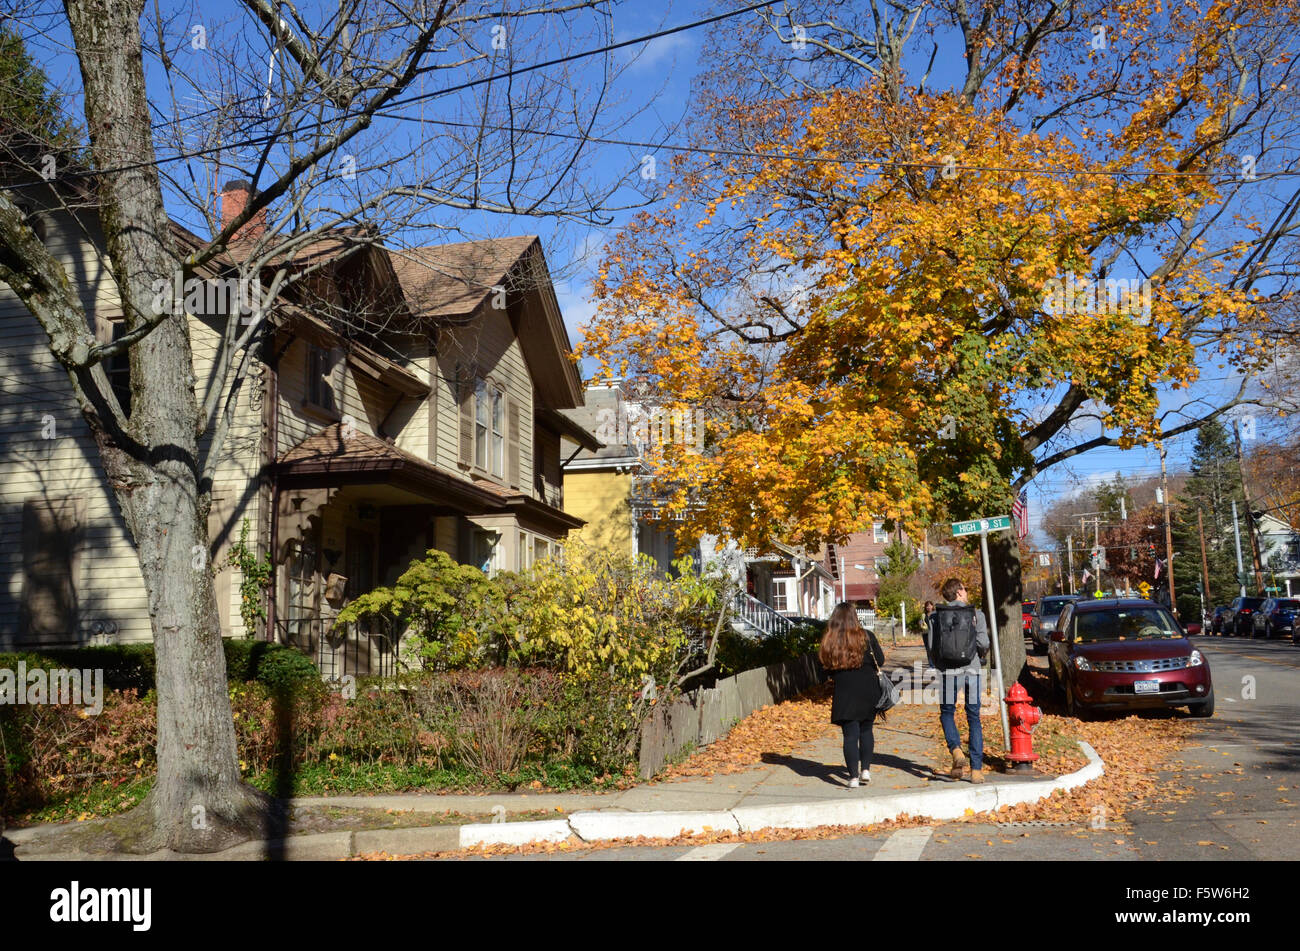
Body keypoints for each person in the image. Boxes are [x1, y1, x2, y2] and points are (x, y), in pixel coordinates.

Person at [926, 578, 990, 784]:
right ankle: (977, 770)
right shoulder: (976, 614)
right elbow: (983, 642)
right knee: (974, 717)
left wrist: (939, 665)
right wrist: (980, 654)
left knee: (947, 712)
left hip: (948, 672)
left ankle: (955, 751)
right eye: (965, 587)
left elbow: (932, 647)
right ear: (960, 591)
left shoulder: (936, 616)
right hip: (971, 670)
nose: (967, 591)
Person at [819, 603, 887, 789]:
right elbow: (880, 660)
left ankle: (853, 778)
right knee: (866, 730)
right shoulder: (866, 636)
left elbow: (823, 667)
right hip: (868, 688)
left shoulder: (830, 639)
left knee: (850, 735)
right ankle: (866, 769)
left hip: (844, 690)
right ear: (854, 617)